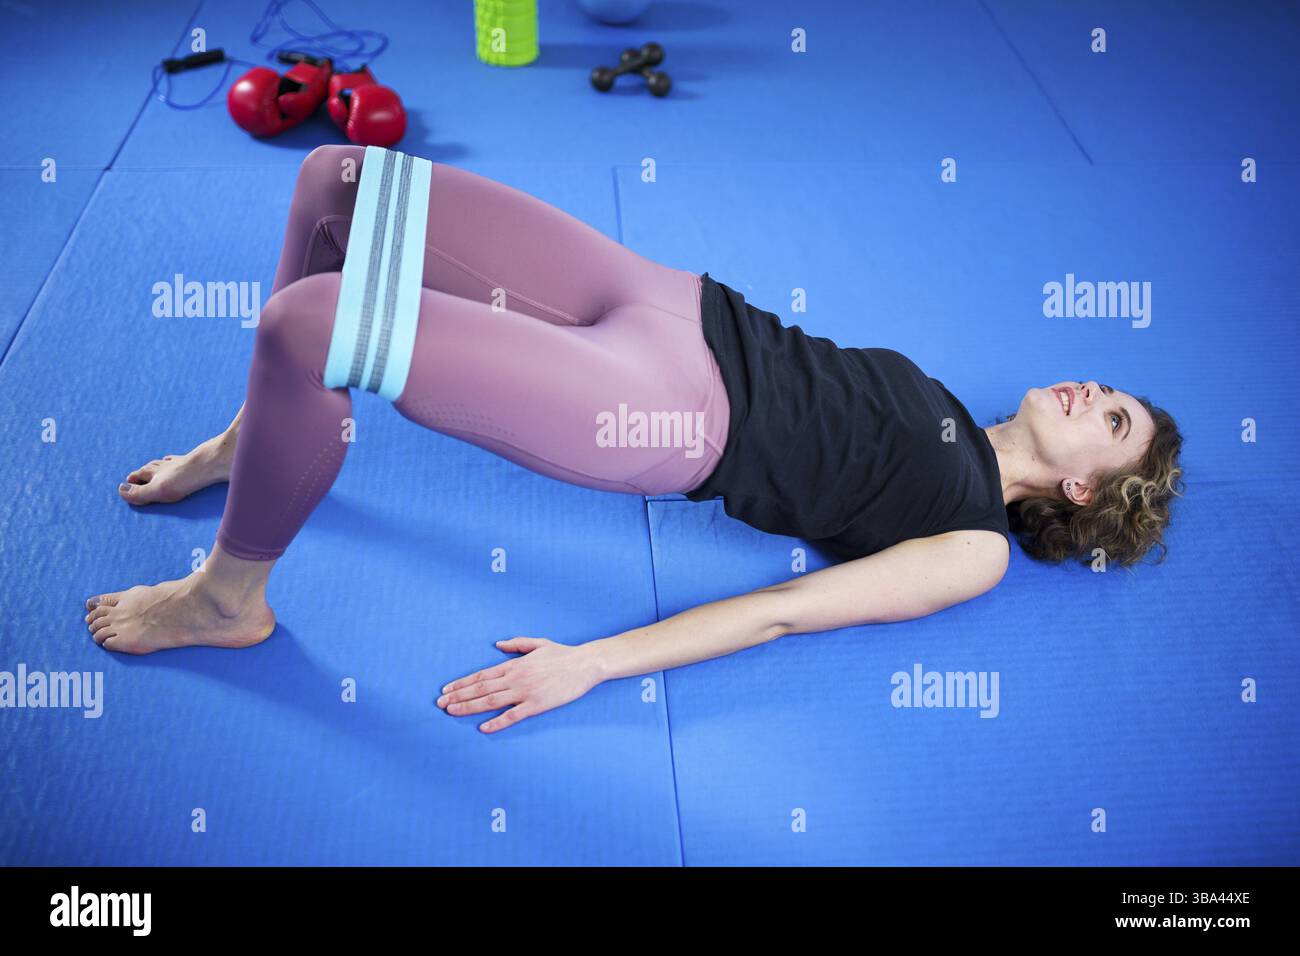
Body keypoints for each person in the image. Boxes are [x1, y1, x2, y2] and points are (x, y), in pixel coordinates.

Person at [84, 145, 1184, 732]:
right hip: (665, 298)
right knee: (340, 179)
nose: (1094, 391)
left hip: (663, 408)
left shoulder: (975, 544)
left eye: (1115, 418)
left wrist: (597, 662)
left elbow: (783, 611)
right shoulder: (942, 396)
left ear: (1087, 490)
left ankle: (229, 597)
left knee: (307, 325)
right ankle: (255, 432)